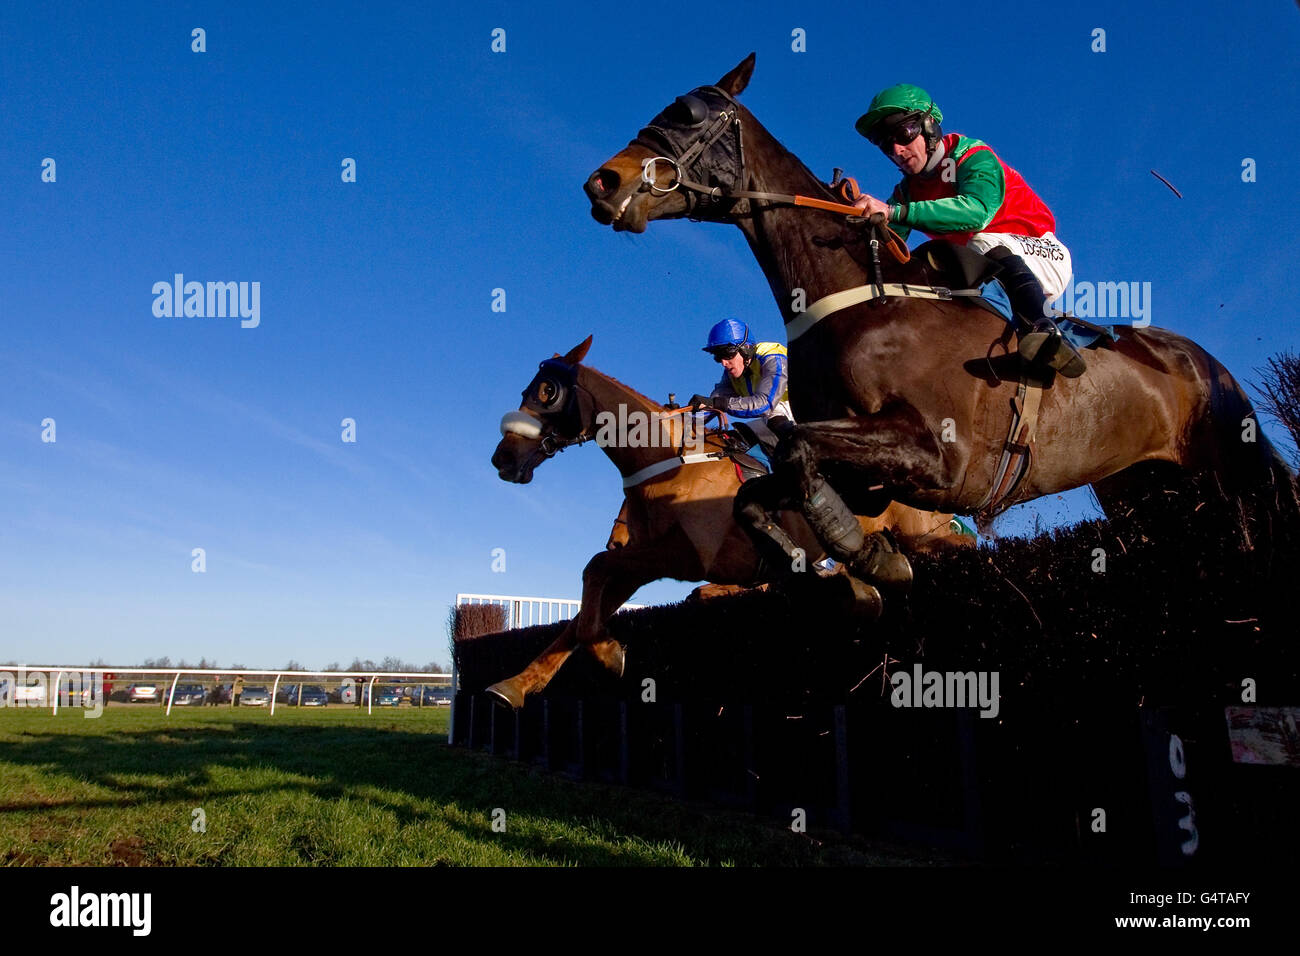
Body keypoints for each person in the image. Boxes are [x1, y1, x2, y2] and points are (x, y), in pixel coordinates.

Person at [850, 84, 1085, 378]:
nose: (896, 150)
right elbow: (889, 246)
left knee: (980, 242)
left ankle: (1043, 329)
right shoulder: (907, 190)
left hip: (1043, 253)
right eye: (886, 144)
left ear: (929, 126)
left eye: (903, 134)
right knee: (925, 266)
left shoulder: (973, 156)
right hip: (984, 264)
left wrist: (894, 211)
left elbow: (976, 212)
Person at [689, 319, 794, 460]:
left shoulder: (772, 357)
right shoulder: (730, 373)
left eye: (727, 354)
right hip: (774, 419)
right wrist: (685, 418)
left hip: (810, 415)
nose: (724, 363)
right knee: (734, 439)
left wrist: (718, 403)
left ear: (746, 349)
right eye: (718, 357)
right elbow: (713, 403)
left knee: (774, 416)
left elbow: (765, 405)